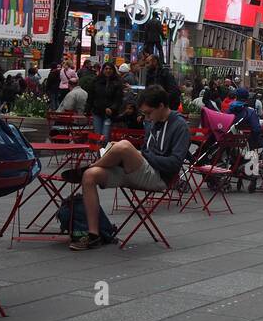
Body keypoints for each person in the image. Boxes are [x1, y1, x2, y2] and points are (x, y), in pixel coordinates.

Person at [67, 85, 190, 250]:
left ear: (161, 106)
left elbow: (174, 163)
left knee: (124, 146)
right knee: (90, 176)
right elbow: (146, 150)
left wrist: (142, 156)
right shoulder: (154, 121)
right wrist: (137, 156)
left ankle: (95, 163)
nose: (146, 117)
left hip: (159, 177)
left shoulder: (180, 126)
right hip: (137, 171)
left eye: (148, 113)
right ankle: (93, 235)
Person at [89, 63, 124, 140]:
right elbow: (91, 96)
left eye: (110, 69)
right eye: (106, 69)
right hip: (97, 112)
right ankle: (99, 151)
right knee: (98, 136)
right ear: (103, 70)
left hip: (109, 114)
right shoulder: (96, 81)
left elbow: (118, 99)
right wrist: (88, 109)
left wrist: (112, 108)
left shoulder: (117, 83)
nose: (108, 70)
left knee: (105, 136)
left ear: (113, 70)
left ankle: (104, 152)